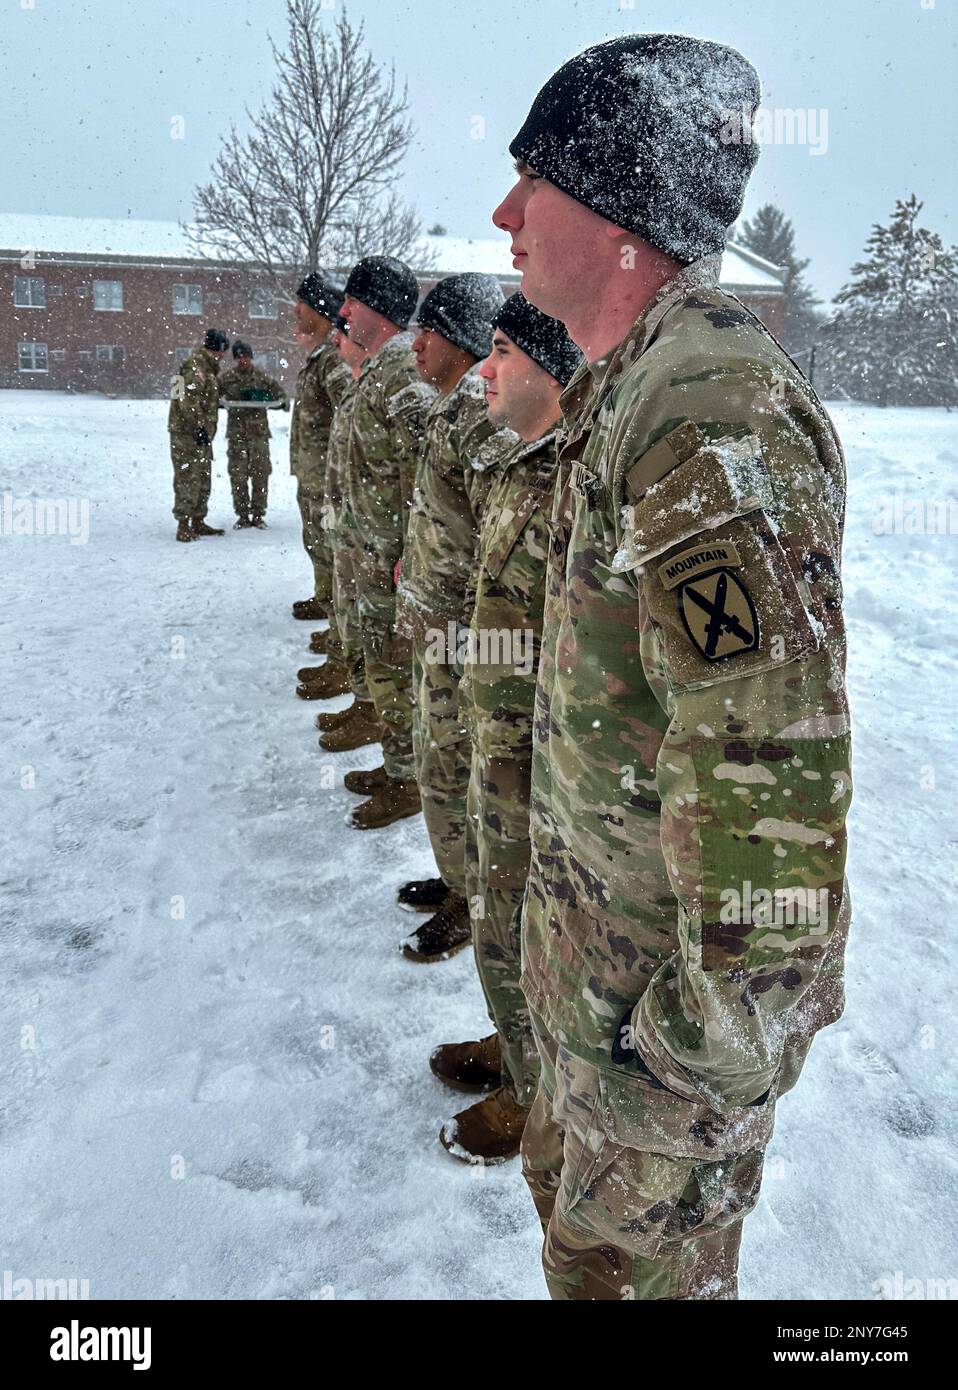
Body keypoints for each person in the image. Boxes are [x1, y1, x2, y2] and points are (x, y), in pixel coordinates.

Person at [492, 33, 853, 1300]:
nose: (504, 214)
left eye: (531, 177)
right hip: (596, 1019)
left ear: (615, 209)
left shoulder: (705, 407)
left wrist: (693, 1062)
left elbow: (771, 777)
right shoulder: (629, 388)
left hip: (654, 1065)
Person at [430, 293, 581, 1164]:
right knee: (501, 919)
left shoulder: (577, 479)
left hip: (550, 771)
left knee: (536, 929)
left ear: (550, 367)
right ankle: (520, 1053)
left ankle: (544, 1095)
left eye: (501, 353)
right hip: (501, 752)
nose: (484, 370)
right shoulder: (526, 464)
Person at [394, 273, 516, 962]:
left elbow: (501, 534)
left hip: (466, 638)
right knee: (441, 760)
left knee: (458, 768)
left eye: (430, 331)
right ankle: (458, 881)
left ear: (463, 339)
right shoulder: (457, 406)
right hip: (441, 627)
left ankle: (474, 897)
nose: (418, 344)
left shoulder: (479, 409)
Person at [337, 257, 436, 830]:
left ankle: (407, 779)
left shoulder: (401, 373)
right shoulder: (380, 369)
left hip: (394, 562)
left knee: (397, 673)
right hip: (371, 557)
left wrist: (410, 554)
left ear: (377, 307)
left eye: (352, 300)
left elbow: (430, 469)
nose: (343, 311)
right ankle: (397, 763)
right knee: (382, 667)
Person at [313, 315, 385, 756]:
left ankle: (373, 714)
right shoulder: (357, 387)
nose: (338, 338)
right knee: (350, 618)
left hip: (370, 539)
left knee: (372, 634)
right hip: (348, 529)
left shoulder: (377, 388)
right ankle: (363, 703)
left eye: (345, 328)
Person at [289, 272, 349, 628]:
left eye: (302, 304)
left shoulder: (332, 358)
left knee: (330, 546)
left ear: (321, 310)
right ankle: (325, 600)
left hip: (329, 477)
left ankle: (337, 624)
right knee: (316, 541)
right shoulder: (320, 355)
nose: (296, 310)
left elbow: (352, 409)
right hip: (313, 474)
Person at [217, 340, 288, 529]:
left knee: (260, 474)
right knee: (238, 475)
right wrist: (221, 402)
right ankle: (242, 515)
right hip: (237, 435)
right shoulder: (226, 379)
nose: (243, 361)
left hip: (259, 434)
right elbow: (213, 396)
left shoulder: (262, 378)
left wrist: (272, 401)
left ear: (251, 357)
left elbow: (282, 397)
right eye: (239, 357)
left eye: (246, 356)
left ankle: (258, 514)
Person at [168, 328, 229, 542]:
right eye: (224, 351)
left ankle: (198, 521)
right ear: (218, 349)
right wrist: (199, 427)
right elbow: (187, 401)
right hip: (187, 434)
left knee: (202, 477)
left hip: (198, 433)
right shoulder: (196, 367)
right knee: (188, 477)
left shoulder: (206, 368)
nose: (224, 356)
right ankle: (183, 524)